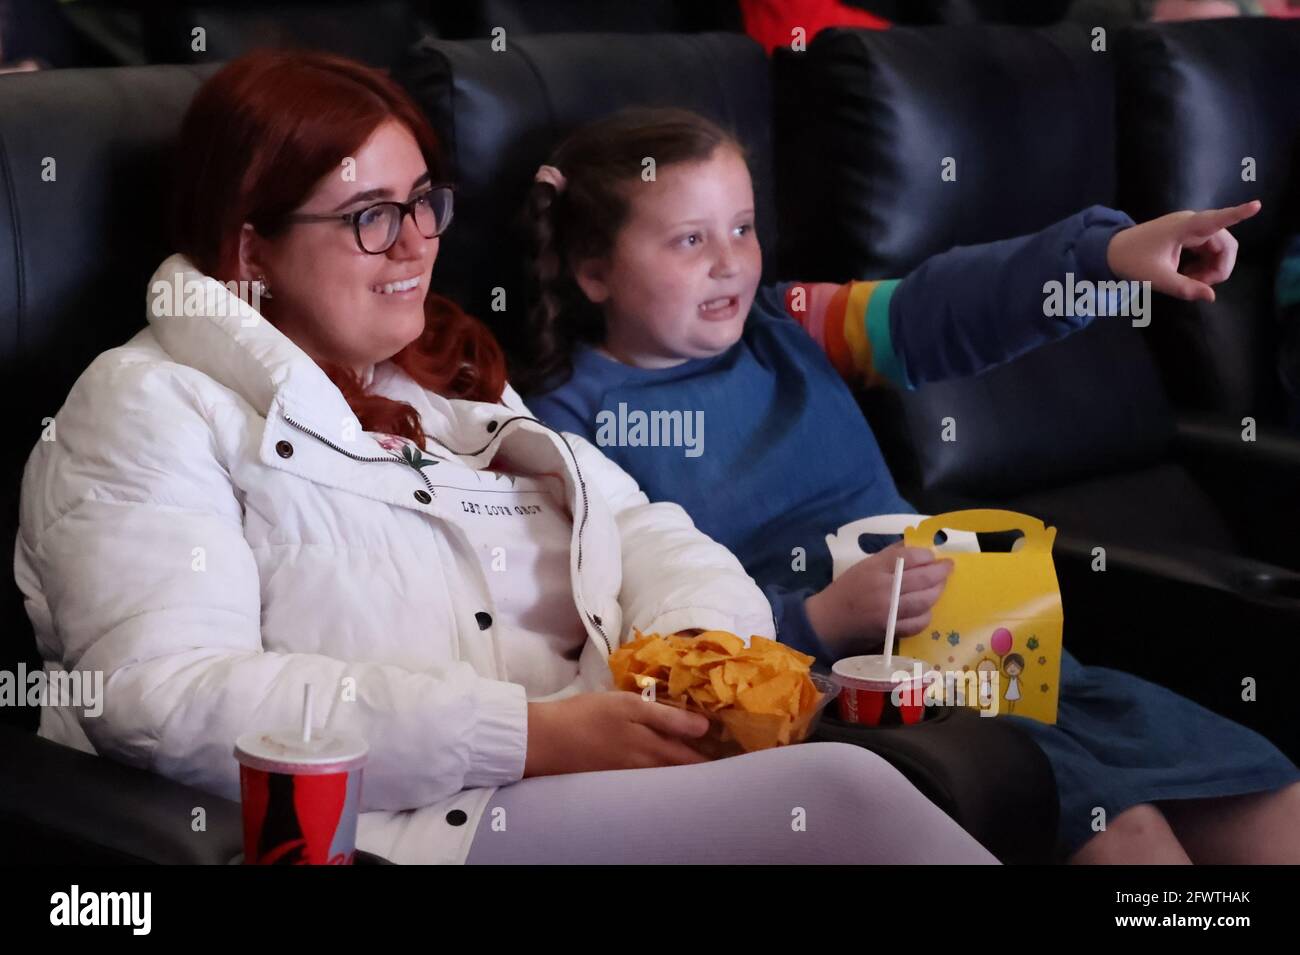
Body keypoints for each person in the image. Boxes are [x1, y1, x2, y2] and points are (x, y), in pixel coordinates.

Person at [14, 52, 999, 865]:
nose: (414, 247)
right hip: (414, 822)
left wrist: (697, 655)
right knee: (845, 802)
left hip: (593, 748)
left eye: (423, 203)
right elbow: (164, 696)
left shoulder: (436, 372)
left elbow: (642, 526)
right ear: (252, 249)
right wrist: (529, 736)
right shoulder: (144, 405)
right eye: (369, 217)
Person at [522, 106, 1300, 864]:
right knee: (1126, 834)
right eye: (690, 239)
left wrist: (1105, 255)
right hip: (844, 696)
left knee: (1268, 792)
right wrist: (821, 618)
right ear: (594, 271)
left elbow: (939, 309)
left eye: (743, 227)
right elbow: (630, 646)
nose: (729, 260)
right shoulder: (562, 427)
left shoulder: (790, 324)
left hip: (989, 658)